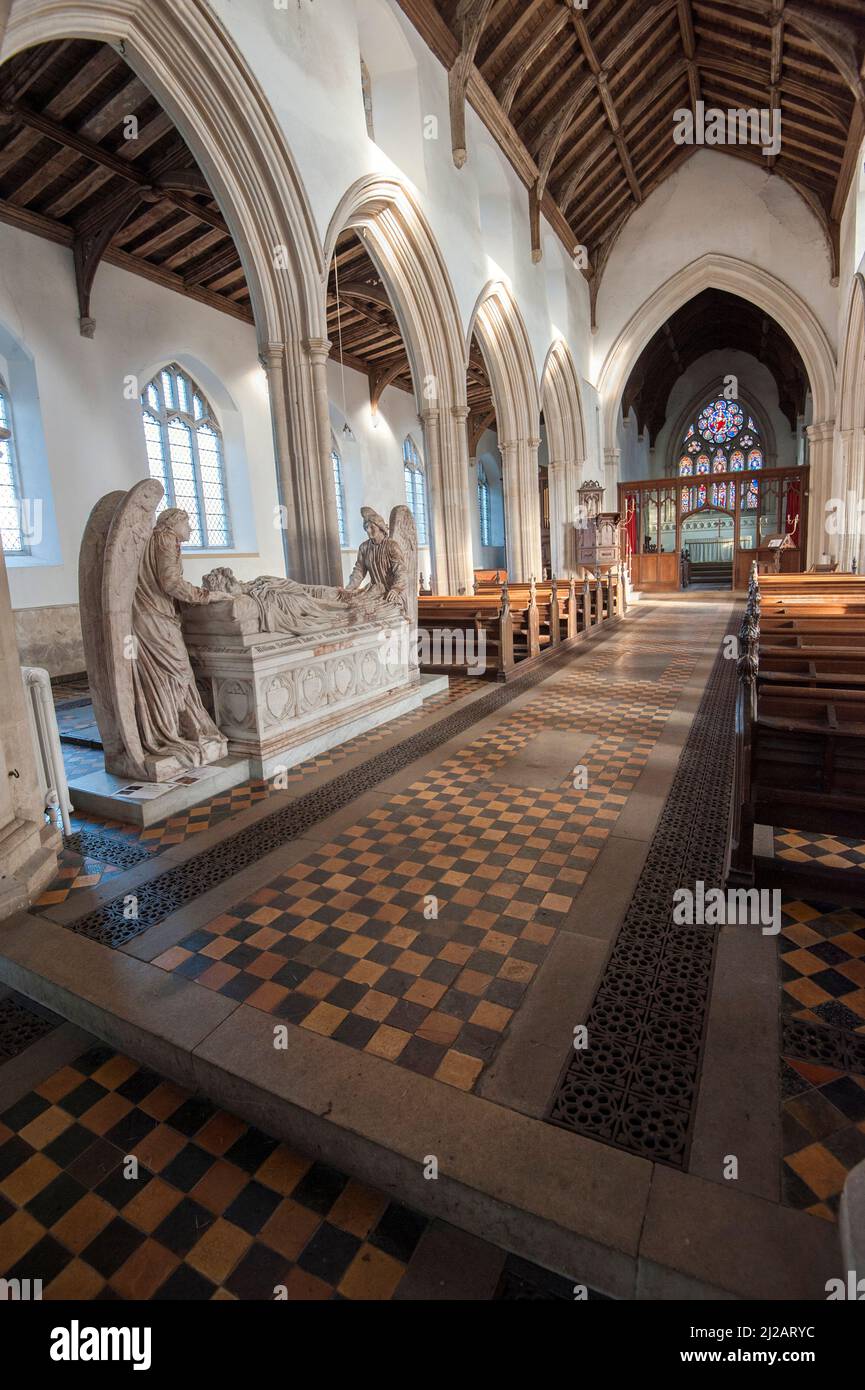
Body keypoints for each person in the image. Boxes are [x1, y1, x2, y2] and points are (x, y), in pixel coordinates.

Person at [131, 508, 225, 766]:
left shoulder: (154, 540)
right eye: (187, 523)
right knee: (176, 671)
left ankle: (177, 726)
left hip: (151, 616)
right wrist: (207, 595)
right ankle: (173, 731)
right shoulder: (164, 540)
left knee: (170, 674)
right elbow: (171, 583)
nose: (191, 529)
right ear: (174, 523)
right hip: (155, 618)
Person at [338, 506, 409, 619]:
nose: (368, 530)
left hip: (393, 593)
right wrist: (349, 589)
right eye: (366, 527)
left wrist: (396, 589)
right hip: (375, 590)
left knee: (368, 611)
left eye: (372, 527)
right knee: (353, 606)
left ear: (380, 527)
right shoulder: (364, 547)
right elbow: (359, 571)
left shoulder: (392, 546)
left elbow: (401, 571)